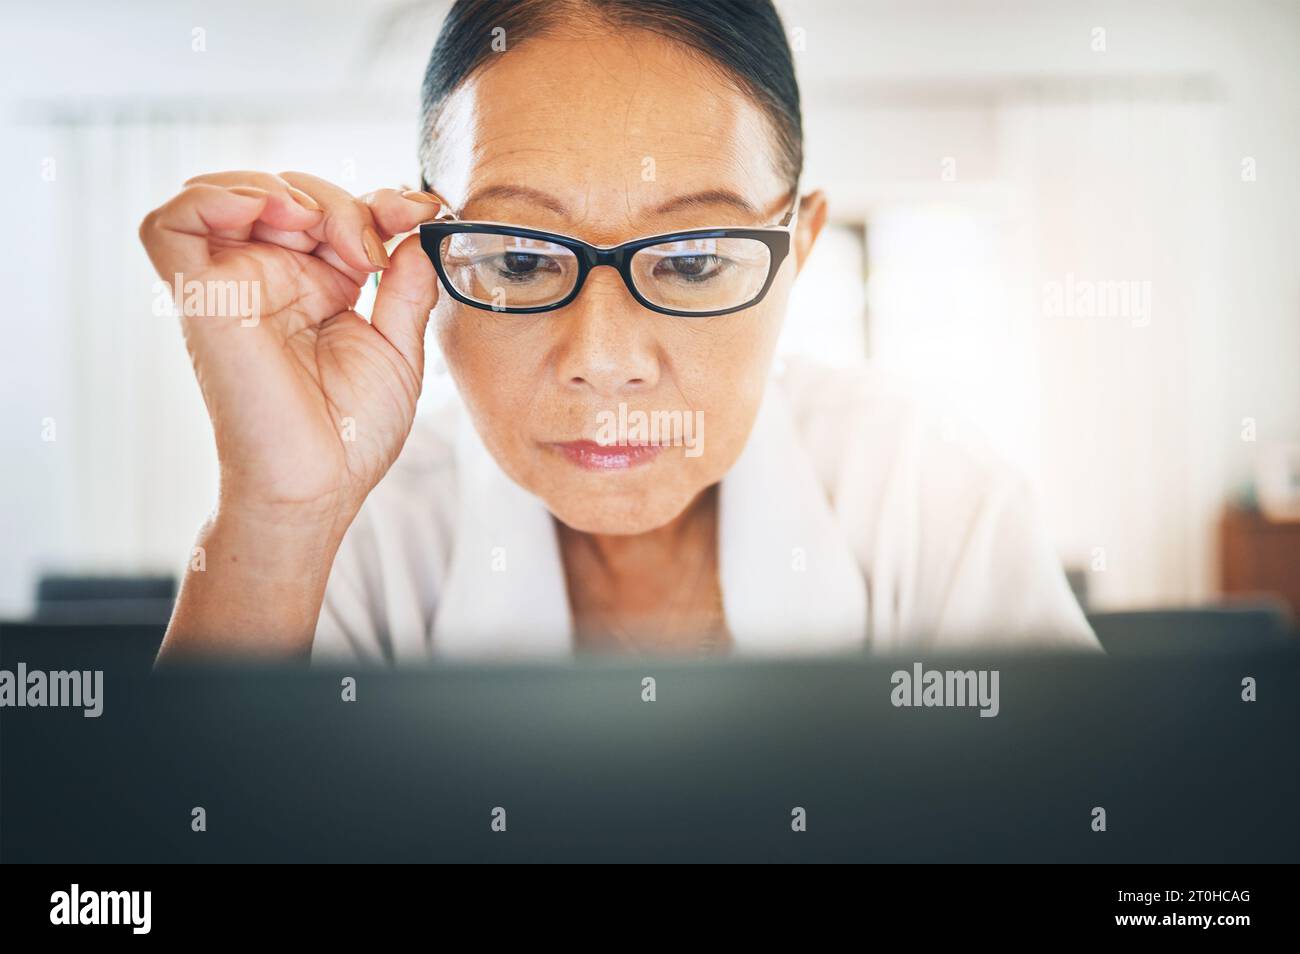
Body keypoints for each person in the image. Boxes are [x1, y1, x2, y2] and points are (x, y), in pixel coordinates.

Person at [138, 0, 1098, 665]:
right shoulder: (362, 536)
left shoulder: (923, 494)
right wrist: (279, 514)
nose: (602, 361)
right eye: (518, 260)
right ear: (420, 254)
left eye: (690, 261)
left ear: (796, 249)